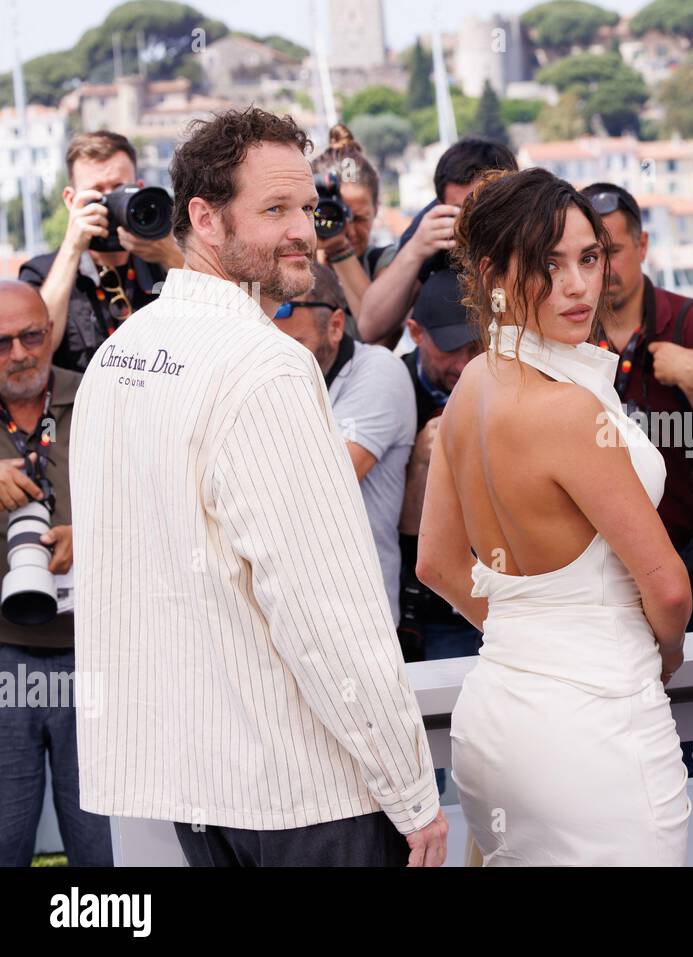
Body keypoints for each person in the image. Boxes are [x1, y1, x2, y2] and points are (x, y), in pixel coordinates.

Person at [68, 107, 447, 867]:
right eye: (275, 210)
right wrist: (411, 790)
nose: (305, 230)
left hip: (192, 794)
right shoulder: (266, 365)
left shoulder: (120, 355)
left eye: (307, 207)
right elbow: (323, 605)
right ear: (203, 218)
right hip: (308, 794)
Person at [418, 167, 693, 865]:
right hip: (591, 728)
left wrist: (531, 626)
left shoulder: (473, 382)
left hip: (496, 719)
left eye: (590, 257)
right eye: (548, 264)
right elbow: (666, 588)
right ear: (495, 275)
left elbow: (438, 563)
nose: (579, 285)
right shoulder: (567, 409)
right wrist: (658, 651)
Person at [578, 181, 693, 777]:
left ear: (643, 245)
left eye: (612, 250)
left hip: (676, 560)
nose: (603, 269)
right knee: (604, 744)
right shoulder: (565, 333)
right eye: (588, 254)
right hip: (590, 572)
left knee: (673, 732)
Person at [0, 281, 111, 868]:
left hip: (92, 648)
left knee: (100, 841)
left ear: (51, 331)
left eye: (31, 336)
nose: (18, 353)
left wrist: (91, 537)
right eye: (0, 343)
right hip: (4, 652)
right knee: (5, 834)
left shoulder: (101, 396)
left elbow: (154, 503)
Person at [271, 262, 415, 629]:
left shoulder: (378, 370)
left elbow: (325, 484)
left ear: (336, 326)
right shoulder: (268, 373)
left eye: (295, 347)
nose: (276, 363)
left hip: (357, 622)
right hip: (280, 613)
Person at [19, 131, 184, 374]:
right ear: (70, 199)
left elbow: (217, 322)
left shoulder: (162, 259)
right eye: (98, 193)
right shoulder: (42, 272)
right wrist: (72, 248)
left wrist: (171, 256)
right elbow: (40, 346)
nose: (111, 202)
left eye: (119, 188)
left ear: (138, 188)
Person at [397, 268, 484, 666]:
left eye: (475, 346)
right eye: (451, 348)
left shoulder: (503, 377)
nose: (465, 363)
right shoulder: (393, 388)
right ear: (416, 333)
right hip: (429, 605)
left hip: (505, 590)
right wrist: (421, 461)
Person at [359, 137, 517, 347]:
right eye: (463, 210)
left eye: (483, 207)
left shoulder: (536, 221)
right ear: (442, 205)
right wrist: (415, 250)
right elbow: (370, 327)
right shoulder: (433, 227)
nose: (474, 222)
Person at [310, 123, 385, 325]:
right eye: (334, 217)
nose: (348, 231)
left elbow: (379, 333)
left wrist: (340, 251)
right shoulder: (290, 260)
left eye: (359, 218)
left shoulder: (386, 263)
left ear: (376, 209)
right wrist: (306, 250)